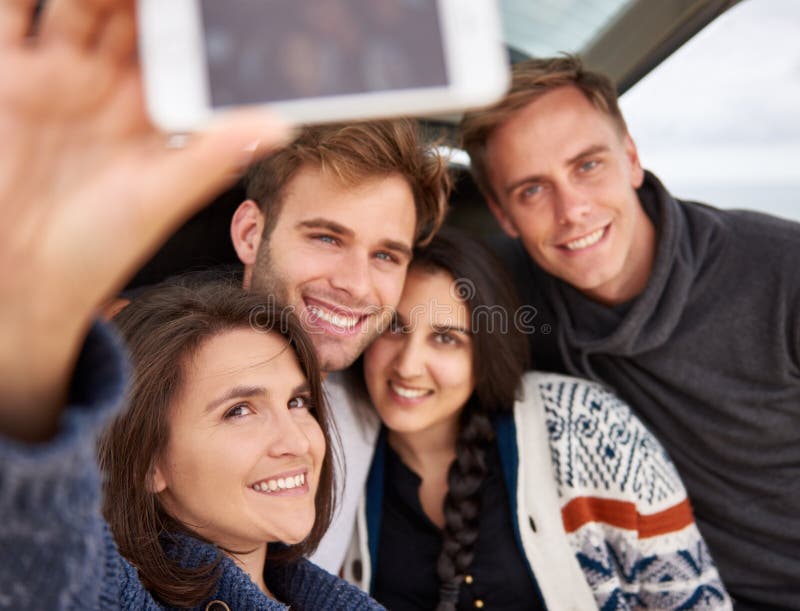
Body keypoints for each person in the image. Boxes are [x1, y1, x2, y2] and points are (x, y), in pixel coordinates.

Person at [459, 55, 800, 610]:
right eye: (532, 191)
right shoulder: (506, 302)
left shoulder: (783, 271)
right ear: (502, 215)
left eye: (588, 166)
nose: (573, 210)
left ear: (632, 159)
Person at [343, 230, 730, 610]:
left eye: (446, 338)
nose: (408, 365)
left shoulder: (585, 424)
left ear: (487, 354)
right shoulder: (333, 458)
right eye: (394, 327)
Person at [11, 279, 387, 609]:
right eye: (239, 411)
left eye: (297, 402)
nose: (296, 441)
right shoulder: (107, 592)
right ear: (146, 462)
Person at [230, 118, 450, 570]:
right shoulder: (133, 379)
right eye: (328, 238)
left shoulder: (364, 408)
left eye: (386, 256)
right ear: (251, 234)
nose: (356, 284)